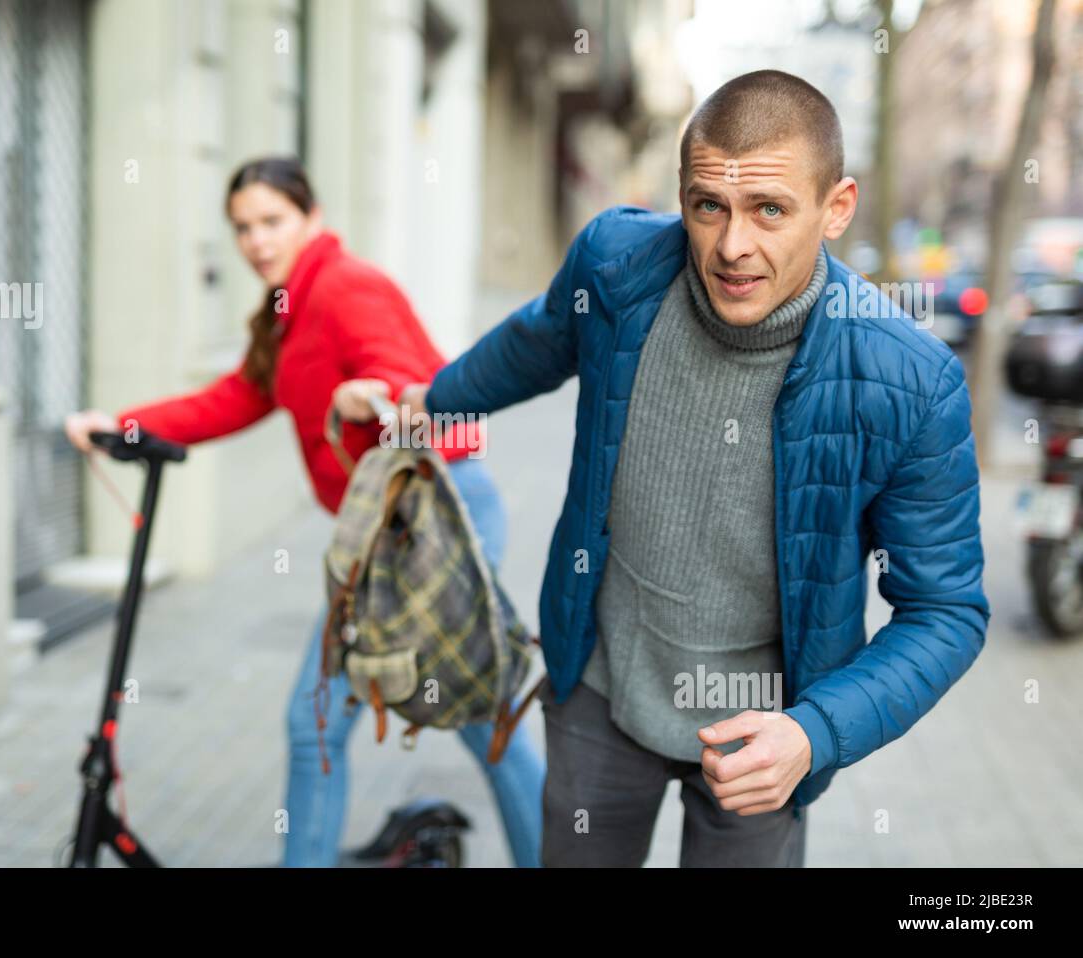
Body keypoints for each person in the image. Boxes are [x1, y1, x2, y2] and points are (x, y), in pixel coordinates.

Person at [381, 70, 989, 867]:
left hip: (764, 732)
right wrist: (428, 402)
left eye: (769, 209)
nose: (733, 246)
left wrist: (816, 734)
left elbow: (945, 610)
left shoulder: (909, 380)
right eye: (710, 205)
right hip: (598, 689)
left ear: (836, 207)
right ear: (683, 195)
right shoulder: (617, 265)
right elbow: (535, 343)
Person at [63, 156, 544, 868]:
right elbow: (231, 399)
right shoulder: (287, 311)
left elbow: (424, 387)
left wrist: (374, 392)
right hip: (394, 531)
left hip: (434, 520)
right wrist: (124, 426)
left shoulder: (347, 286)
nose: (256, 241)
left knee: (324, 720)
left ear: (311, 218)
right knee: (476, 715)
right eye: (242, 229)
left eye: (271, 222)